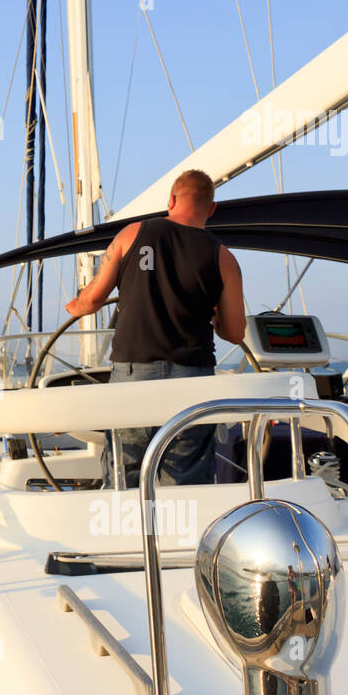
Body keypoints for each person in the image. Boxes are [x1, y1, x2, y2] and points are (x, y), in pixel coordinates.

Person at [65, 169, 246, 487]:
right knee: (187, 484)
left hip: (134, 377)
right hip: (192, 379)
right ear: (212, 209)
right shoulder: (224, 258)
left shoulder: (132, 234)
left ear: (171, 200)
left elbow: (92, 301)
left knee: (126, 476)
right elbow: (234, 332)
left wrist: (73, 306)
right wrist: (215, 316)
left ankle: (130, 519)